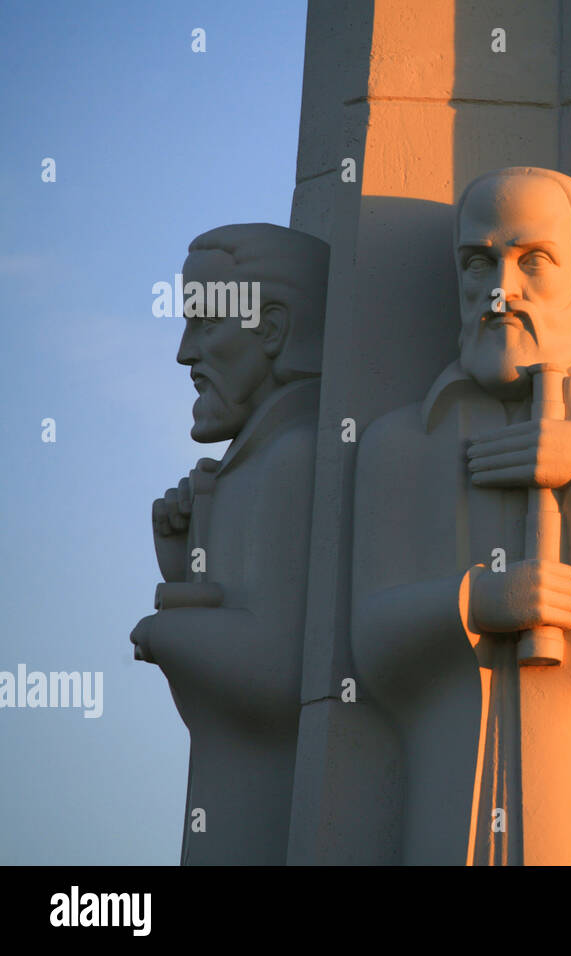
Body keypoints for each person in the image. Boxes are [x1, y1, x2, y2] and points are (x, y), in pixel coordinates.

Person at [350, 167, 571, 864]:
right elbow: (371, 648)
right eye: (479, 262)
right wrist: (478, 599)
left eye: (533, 261)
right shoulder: (400, 442)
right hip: (443, 795)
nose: (499, 290)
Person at [131, 223, 329, 864]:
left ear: (271, 330)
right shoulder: (256, 462)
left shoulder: (294, 457)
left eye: (205, 324)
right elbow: (220, 710)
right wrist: (187, 571)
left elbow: (277, 673)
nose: (185, 354)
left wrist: (163, 628)